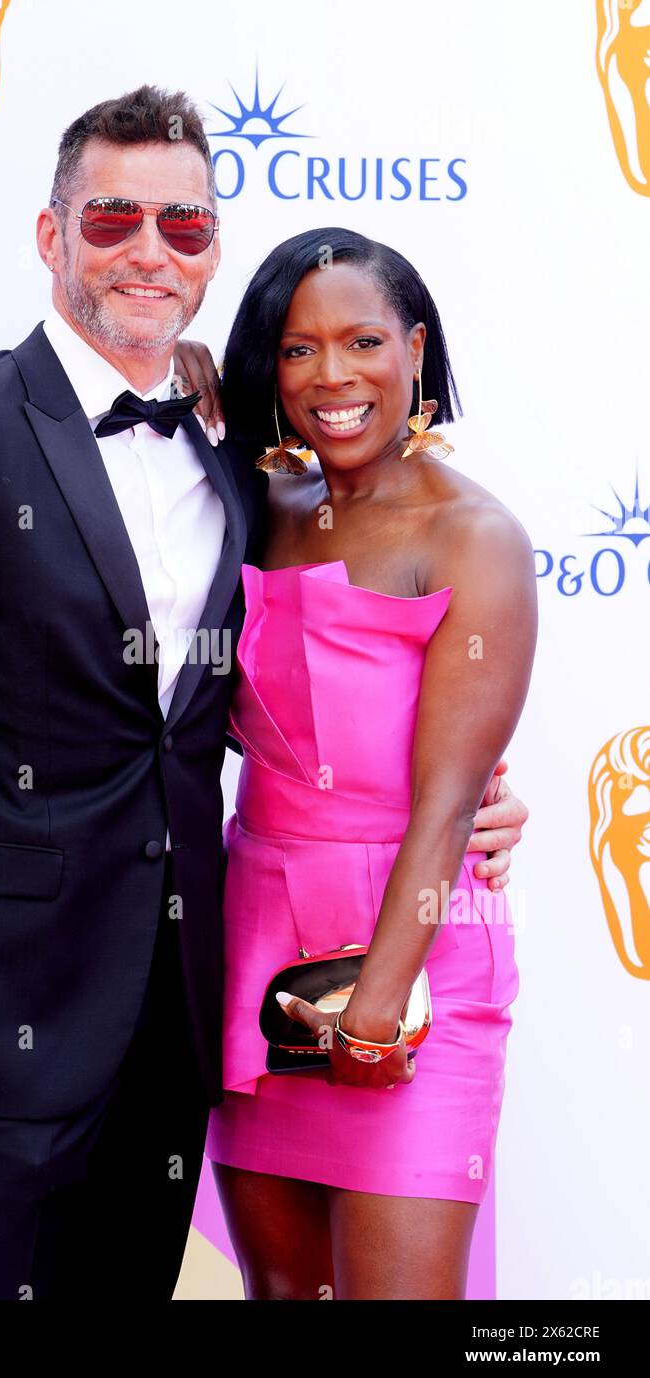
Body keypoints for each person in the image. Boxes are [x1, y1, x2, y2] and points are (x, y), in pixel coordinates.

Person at [0, 85, 528, 1300]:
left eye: (183, 227)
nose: (149, 250)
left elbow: (337, 693)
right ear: (50, 236)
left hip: (189, 1016)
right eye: (112, 219)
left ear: (209, 252)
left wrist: (475, 805)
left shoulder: (235, 467)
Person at [189, 228, 537, 1299]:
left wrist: (376, 1007)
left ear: (415, 350)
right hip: (257, 947)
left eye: (361, 342)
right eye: (295, 352)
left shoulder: (472, 534)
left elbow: (444, 803)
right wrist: (195, 397)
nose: (330, 377)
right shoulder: (254, 509)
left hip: (413, 965)